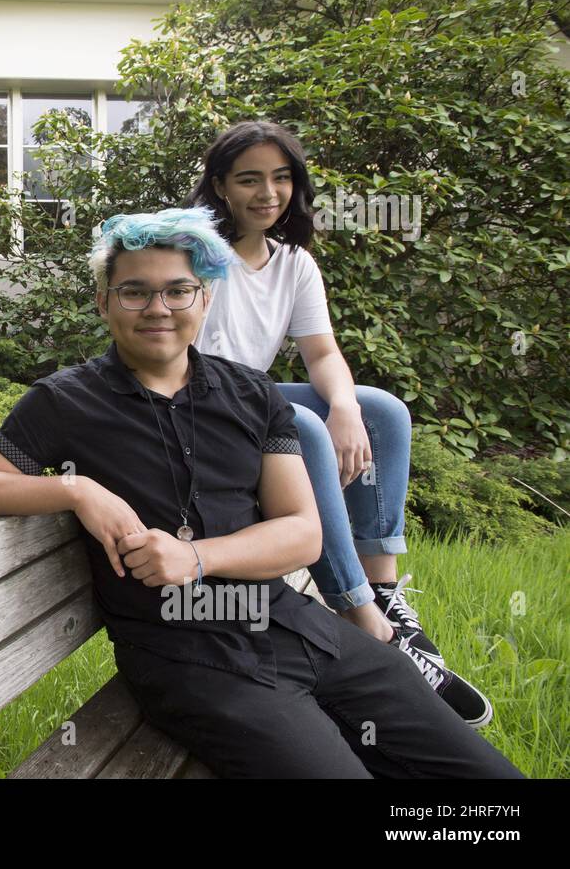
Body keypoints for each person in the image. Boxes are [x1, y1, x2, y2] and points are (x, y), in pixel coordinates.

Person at [0, 206, 520, 778]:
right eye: (134, 292)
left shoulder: (251, 393)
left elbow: (302, 533)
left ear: (206, 299)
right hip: (191, 660)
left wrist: (195, 557)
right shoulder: (64, 402)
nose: (157, 309)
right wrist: (78, 489)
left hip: (301, 631)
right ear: (103, 301)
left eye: (178, 291)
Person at [183, 120, 490, 724]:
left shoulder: (293, 262)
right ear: (220, 185)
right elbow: (182, 353)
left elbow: (321, 353)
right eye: (249, 179)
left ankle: (385, 591)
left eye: (281, 178)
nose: (268, 193)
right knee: (303, 424)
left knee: (381, 411)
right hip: (199, 403)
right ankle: (362, 619)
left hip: (256, 395)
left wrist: (346, 405)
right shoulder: (196, 250)